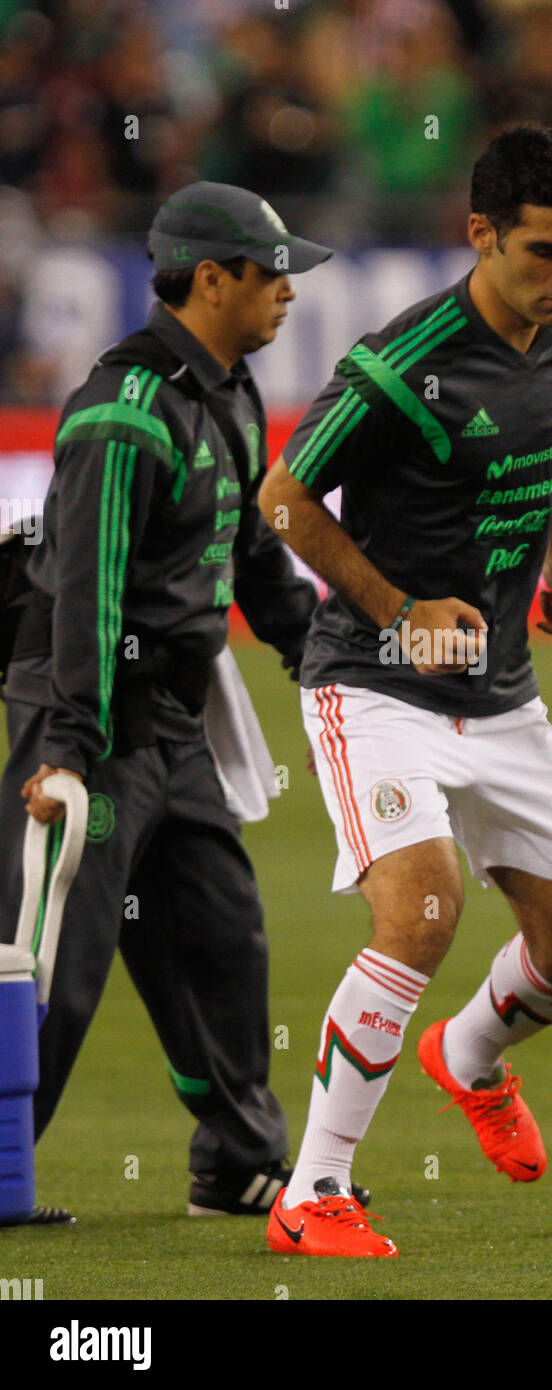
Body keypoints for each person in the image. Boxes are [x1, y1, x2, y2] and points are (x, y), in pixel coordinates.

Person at [258, 126, 552, 1258]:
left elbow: (535, 449)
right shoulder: (396, 364)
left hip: (501, 693)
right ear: (480, 236)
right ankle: (311, 1190)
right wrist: (397, 609)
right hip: (374, 685)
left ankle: (465, 1054)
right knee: (421, 909)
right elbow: (281, 496)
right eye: (546, 250)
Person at [0, 182, 356, 1223]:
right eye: (270, 273)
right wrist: (65, 744)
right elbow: (85, 592)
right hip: (94, 727)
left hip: (174, 728)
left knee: (220, 938)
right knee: (52, 962)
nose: (288, 292)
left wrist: (329, 657)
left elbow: (254, 562)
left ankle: (240, 1162)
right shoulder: (123, 412)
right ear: (212, 279)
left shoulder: (228, 394)